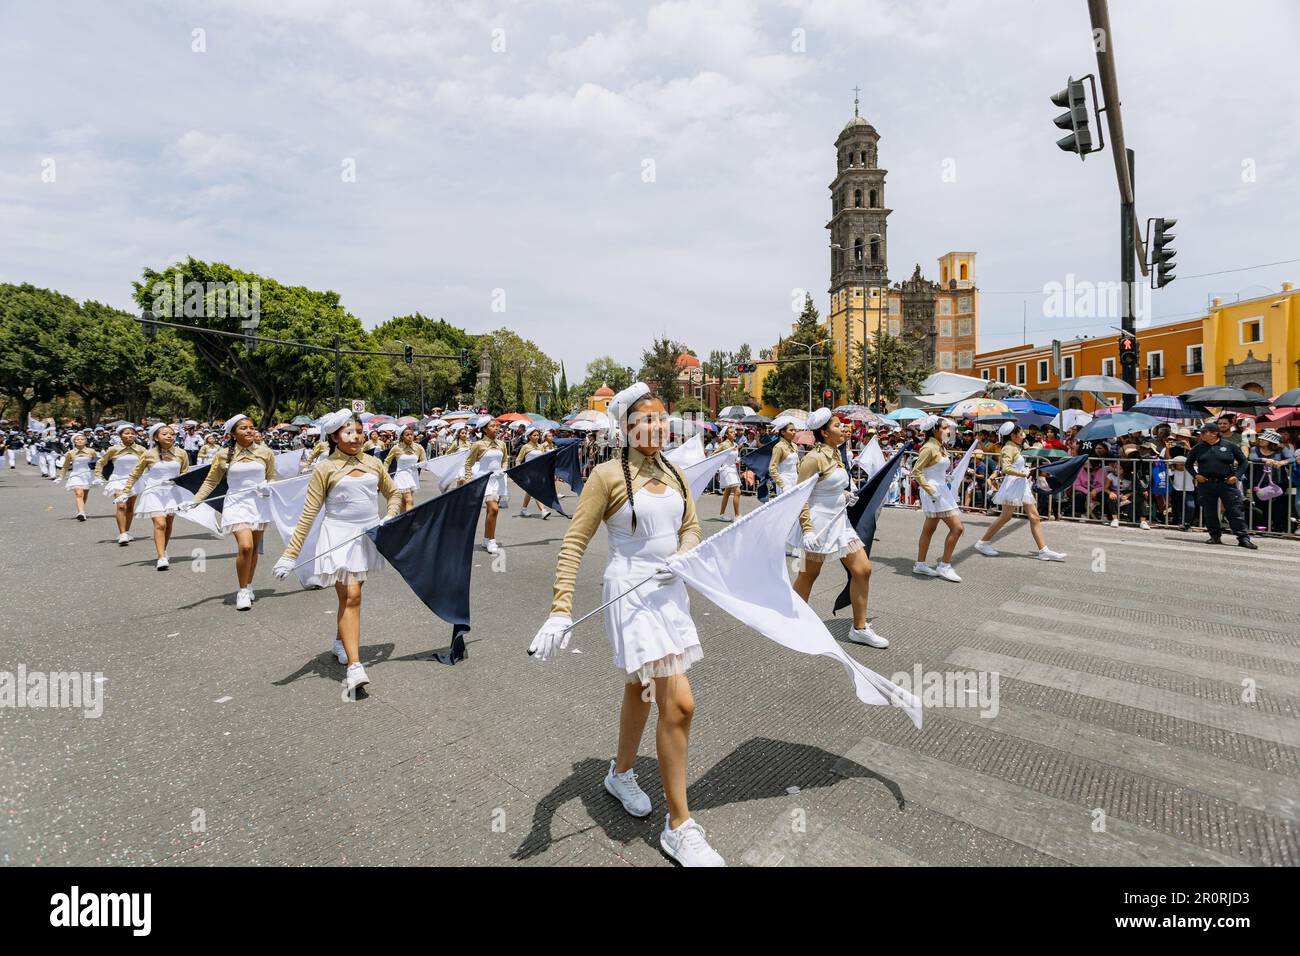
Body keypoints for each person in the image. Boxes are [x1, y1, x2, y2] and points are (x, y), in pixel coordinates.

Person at [528, 383, 724, 867]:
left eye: (662, 419)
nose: (656, 428)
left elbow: (692, 527)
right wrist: (559, 609)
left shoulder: (675, 471)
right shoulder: (607, 475)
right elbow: (574, 543)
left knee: (640, 690)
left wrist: (681, 554)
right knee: (678, 702)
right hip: (630, 594)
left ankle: (619, 773)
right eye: (645, 420)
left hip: (670, 590)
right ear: (626, 427)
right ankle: (679, 826)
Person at [273, 410, 402, 693]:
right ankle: (355, 667)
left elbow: (394, 493)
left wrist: (389, 517)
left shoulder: (373, 463)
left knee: (351, 598)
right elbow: (308, 514)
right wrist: (290, 555)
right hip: (339, 536)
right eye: (348, 432)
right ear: (333, 436)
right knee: (352, 595)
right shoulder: (325, 468)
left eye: (358, 431)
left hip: (368, 535)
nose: (355, 437)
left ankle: (340, 641)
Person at [788, 409, 887, 647]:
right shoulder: (813, 458)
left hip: (840, 523)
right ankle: (792, 621)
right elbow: (801, 496)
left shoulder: (836, 453)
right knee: (807, 575)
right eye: (836, 425)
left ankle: (859, 628)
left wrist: (844, 495)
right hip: (817, 525)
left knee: (863, 570)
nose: (843, 428)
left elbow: (830, 486)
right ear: (823, 432)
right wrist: (807, 530)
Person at [182, 414, 277, 610]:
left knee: (254, 547)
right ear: (233, 433)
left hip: (259, 503)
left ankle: (249, 585)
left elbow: (271, 477)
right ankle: (242, 591)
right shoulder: (223, 454)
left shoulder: (265, 452)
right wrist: (194, 501)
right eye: (244, 428)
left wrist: (268, 487)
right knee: (245, 546)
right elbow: (211, 481)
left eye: (251, 427)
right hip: (236, 503)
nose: (249, 431)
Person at [973, 422, 1065, 561]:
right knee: (1006, 516)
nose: (1023, 436)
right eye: (1021, 433)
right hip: (1014, 484)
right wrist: (1023, 473)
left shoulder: (1014, 446)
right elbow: (1006, 468)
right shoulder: (1009, 448)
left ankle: (1043, 550)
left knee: (1034, 517)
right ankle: (982, 542)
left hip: (1020, 484)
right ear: (1013, 435)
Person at [116, 423, 189, 570]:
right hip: (153, 492)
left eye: (172, 434)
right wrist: (125, 492)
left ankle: (164, 549)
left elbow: (185, 474)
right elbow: (135, 473)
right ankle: (161, 557)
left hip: (172, 493)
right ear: (156, 437)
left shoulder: (181, 453)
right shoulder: (148, 454)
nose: (169, 436)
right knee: (160, 524)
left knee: (168, 523)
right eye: (165, 434)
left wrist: (187, 495)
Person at [909, 415, 963, 582]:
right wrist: (930, 490)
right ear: (935, 430)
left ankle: (920, 564)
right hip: (934, 492)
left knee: (929, 529)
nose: (948, 431)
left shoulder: (939, 446)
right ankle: (944, 566)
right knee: (957, 528)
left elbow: (934, 468)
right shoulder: (929, 447)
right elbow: (916, 471)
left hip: (940, 489)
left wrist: (945, 478)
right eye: (945, 428)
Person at [1187, 421, 1256, 549]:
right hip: (1206, 483)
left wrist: (1237, 476)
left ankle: (1243, 538)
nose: (1201, 435)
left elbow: (1244, 462)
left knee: (1235, 511)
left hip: (1226, 483)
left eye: (1203, 432)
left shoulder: (1230, 446)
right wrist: (1196, 475)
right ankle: (1214, 536)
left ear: (1214, 433)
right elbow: (1188, 464)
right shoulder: (1198, 447)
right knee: (1209, 511)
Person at [462, 417, 510, 554]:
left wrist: (504, 470)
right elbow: (468, 463)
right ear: (484, 429)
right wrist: (468, 480)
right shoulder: (478, 445)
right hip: (485, 480)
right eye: (492, 426)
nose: (496, 428)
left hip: (499, 480)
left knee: (491, 512)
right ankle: (492, 540)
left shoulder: (502, 444)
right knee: (494, 509)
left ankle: (486, 538)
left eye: (497, 426)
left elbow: (505, 460)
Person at [1247, 428, 1292, 535]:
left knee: (1278, 505)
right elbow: (1252, 457)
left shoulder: (1282, 450)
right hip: (1259, 482)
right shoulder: (1255, 449)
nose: (1261, 440)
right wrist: (1265, 459)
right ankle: (1262, 527)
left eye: (1264, 439)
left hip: (1278, 481)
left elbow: (1292, 459)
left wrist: (1282, 462)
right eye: (1261, 438)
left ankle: (1278, 527)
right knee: (1261, 504)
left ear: (1272, 442)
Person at [385, 426, 427, 514]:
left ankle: (401, 520)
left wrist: (419, 465)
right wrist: (384, 474)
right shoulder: (396, 448)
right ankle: (409, 522)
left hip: (413, 476)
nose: (410, 436)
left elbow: (424, 461)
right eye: (407, 435)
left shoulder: (419, 447)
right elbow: (387, 461)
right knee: (409, 500)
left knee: (404, 502)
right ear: (402, 436)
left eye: (411, 434)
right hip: (401, 475)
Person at [514, 426, 553, 518]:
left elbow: (543, 459)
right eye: (534, 435)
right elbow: (518, 459)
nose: (537, 437)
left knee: (530, 491)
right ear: (529, 436)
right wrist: (518, 471)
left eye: (538, 435)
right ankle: (543, 510)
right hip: (529, 472)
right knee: (536, 490)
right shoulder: (525, 447)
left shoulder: (540, 446)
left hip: (539, 472)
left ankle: (523, 509)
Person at [58, 433, 98, 521]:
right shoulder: (70, 453)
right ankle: (81, 513)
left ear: (85, 441)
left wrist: (98, 476)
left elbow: (97, 463)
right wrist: (60, 477)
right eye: (77, 439)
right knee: (79, 493)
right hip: (76, 475)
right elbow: (65, 466)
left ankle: (81, 509)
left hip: (88, 475)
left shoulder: (91, 451)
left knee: (85, 494)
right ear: (74, 442)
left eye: (82, 439)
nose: (80, 440)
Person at [712, 427, 742, 520]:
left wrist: (737, 459)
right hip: (726, 469)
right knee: (737, 491)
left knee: (727, 492)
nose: (734, 433)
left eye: (734, 432)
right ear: (726, 435)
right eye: (731, 432)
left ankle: (721, 515)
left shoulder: (735, 444)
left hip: (733, 469)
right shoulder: (723, 444)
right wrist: (722, 460)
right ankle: (737, 515)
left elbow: (734, 457)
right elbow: (713, 455)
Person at [767, 417, 801, 496]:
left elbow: (797, 465)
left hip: (795, 480)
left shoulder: (795, 446)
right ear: (783, 432)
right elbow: (772, 468)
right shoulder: (779, 447)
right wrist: (782, 485)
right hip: (785, 481)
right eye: (791, 430)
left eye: (794, 430)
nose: (794, 432)